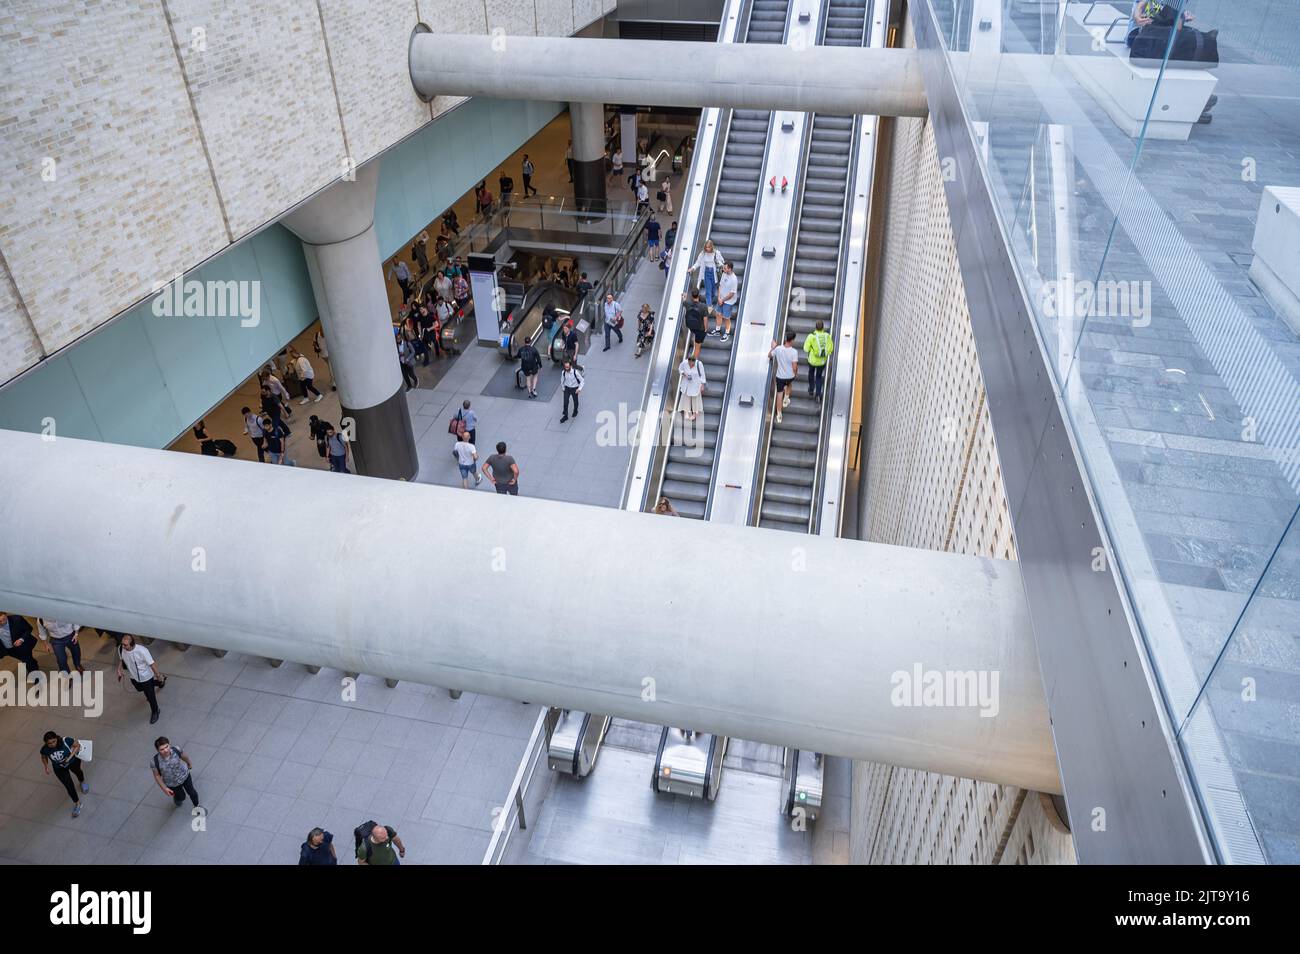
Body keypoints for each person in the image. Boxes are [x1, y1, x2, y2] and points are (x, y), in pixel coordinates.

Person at [117, 633, 163, 725]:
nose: (123, 646)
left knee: (150, 696)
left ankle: (155, 711)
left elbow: (151, 664)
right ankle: (159, 683)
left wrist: (158, 675)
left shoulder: (142, 651)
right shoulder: (121, 648)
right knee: (139, 688)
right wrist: (119, 669)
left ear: (132, 643)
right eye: (122, 644)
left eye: (125, 645)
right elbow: (121, 659)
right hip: (133, 676)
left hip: (146, 677)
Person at [40, 732, 88, 817]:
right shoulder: (45, 749)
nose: (52, 744)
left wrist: (69, 757)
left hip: (73, 762)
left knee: (78, 772)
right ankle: (77, 803)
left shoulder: (66, 740)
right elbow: (44, 756)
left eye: (54, 741)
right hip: (59, 768)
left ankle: (82, 782)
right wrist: (46, 766)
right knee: (69, 785)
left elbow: (77, 746)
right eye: (49, 743)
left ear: (56, 738)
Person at [151, 737, 200, 810]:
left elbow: (184, 756)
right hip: (172, 783)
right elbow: (157, 775)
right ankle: (177, 799)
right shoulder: (154, 762)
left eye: (166, 746)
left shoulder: (176, 750)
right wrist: (164, 788)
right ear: (158, 750)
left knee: (192, 792)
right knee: (181, 797)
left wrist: (189, 763)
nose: (165, 750)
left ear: (169, 745)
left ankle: (196, 806)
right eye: (162, 749)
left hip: (184, 776)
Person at [769, 331, 799, 425]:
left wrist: (773, 347)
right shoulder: (794, 352)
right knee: (789, 385)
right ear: (792, 340)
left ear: (786, 339)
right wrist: (796, 373)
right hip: (790, 376)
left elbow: (769, 355)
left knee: (779, 395)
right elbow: (794, 367)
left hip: (780, 376)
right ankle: (786, 399)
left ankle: (779, 415)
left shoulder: (778, 349)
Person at [803, 319, 834, 400]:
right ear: (823, 327)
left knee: (811, 373)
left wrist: (811, 349)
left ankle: (811, 389)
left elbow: (805, 349)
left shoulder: (811, 336)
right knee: (819, 377)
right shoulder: (827, 336)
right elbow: (831, 349)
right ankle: (818, 395)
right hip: (822, 361)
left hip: (812, 361)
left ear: (815, 327)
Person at [689, 240, 725, 308]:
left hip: (714, 273)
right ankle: (709, 307)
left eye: (708, 247)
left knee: (713, 292)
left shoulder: (716, 253)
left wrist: (718, 262)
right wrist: (692, 268)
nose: (707, 249)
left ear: (711, 247)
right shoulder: (703, 253)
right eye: (706, 247)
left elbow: (722, 262)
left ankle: (709, 303)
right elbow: (698, 262)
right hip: (706, 273)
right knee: (708, 291)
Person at [712, 261, 738, 342]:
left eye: (725, 268)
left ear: (730, 269)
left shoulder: (734, 279)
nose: (723, 269)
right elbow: (720, 285)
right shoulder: (724, 274)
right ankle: (718, 330)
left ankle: (727, 332)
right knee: (718, 313)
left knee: (726, 318)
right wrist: (719, 297)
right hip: (721, 299)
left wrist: (722, 300)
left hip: (728, 301)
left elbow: (732, 294)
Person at [678, 353, 707, 422]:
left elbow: (702, 374)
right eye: (689, 363)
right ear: (688, 361)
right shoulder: (684, 363)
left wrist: (702, 384)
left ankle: (695, 413)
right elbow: (680, 369)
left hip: (696, 384)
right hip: (686, 383)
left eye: (692, 364)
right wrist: (684, 374)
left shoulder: (699, 364)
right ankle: (686, 412)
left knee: (695, 398)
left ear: (694, 361)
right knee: (686, 397)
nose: (691, 365)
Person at [682, 289, 707, 360]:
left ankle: (695, 339)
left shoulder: (688, 304)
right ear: (698, 296)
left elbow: (684, 301)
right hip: (700, 329)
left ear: (692, 297)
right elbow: (705, 319)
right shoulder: (703, 306)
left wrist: (684, 297)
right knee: (697, 347)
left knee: (696, 338)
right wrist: (705, 329)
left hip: (691, 327)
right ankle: (693, 362)